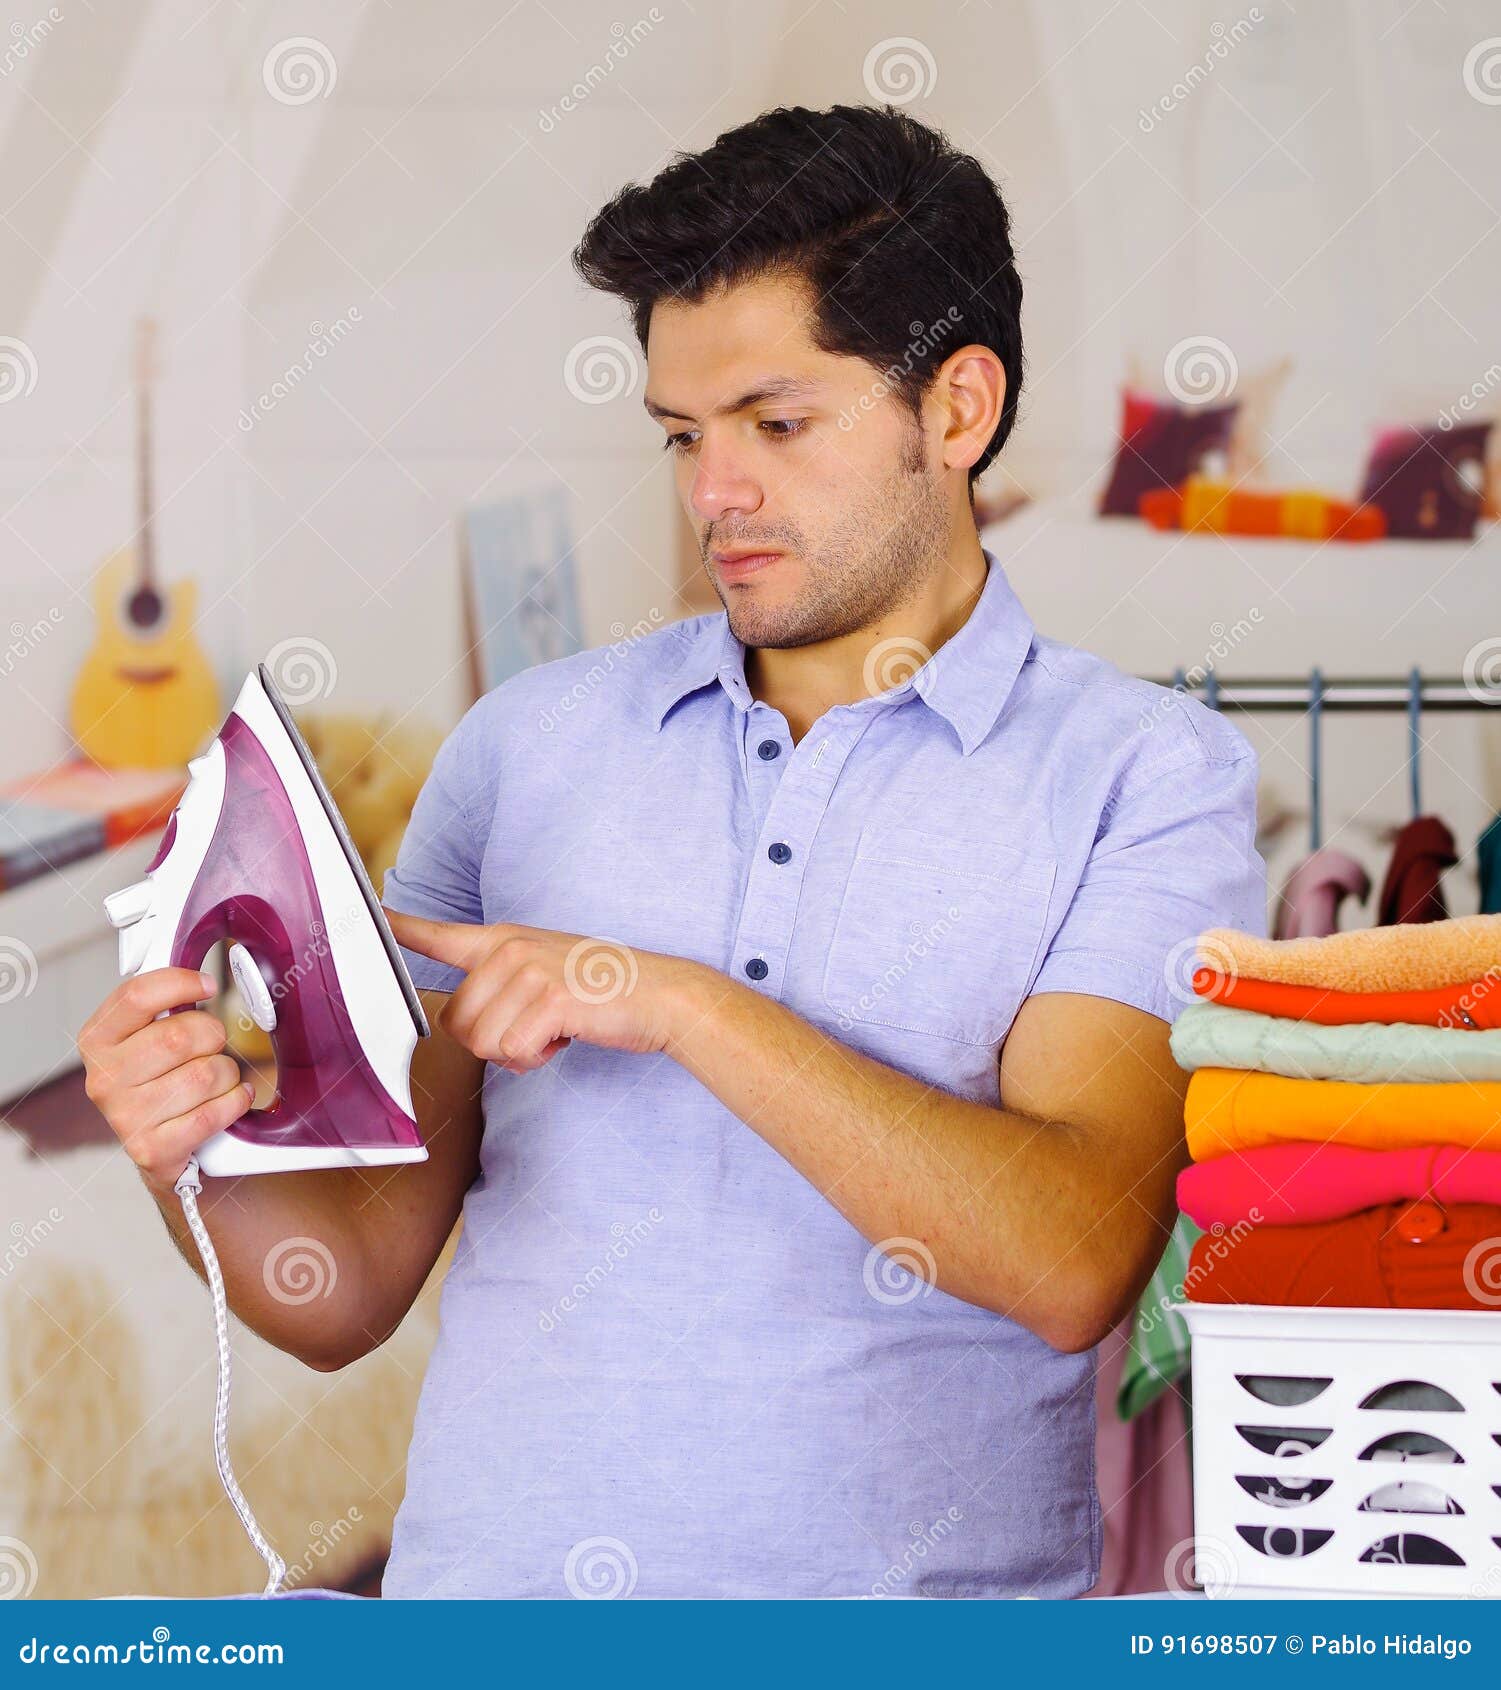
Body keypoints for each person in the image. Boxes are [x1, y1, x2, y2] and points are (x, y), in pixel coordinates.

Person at [78, 102, 1265, 1599]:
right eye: (681, 435)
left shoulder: (1144, 777)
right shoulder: (525, 748)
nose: (713, 492)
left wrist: (684, 1006)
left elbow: (1069, 1253)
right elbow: (348, 1283)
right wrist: (188, 1138)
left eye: (776, 424)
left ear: (956, 410)